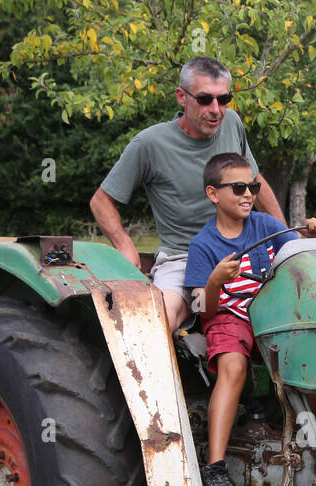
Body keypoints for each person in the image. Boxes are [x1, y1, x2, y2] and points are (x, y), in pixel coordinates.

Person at [89, 57, 286, 333]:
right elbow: (101, 200)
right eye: (205, 99)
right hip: (184, 259)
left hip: (248, 250)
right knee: (158, 322)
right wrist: (125, 245)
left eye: (224, 99)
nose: (216, 110)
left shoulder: (232, 123)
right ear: (182, 97)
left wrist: (286, 240)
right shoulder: (150, 144)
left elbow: (254, 179)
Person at [184, 153, 316, 486]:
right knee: (233, 365)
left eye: (253, 186)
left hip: (269, 313)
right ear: (213, 194)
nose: (248, 194)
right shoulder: (203, 245)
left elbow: (297, 256)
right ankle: (215, 468)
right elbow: (203, 307)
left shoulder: (266, 226)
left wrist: (310, 235)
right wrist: (215, 281)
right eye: (238, 188)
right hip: (228, 316)